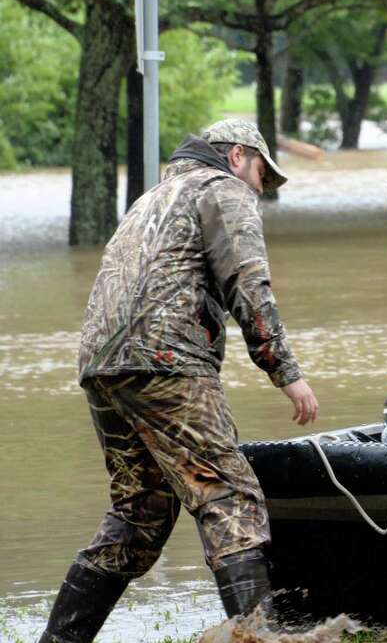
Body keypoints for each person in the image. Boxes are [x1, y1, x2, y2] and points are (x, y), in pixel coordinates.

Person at [38, 120, 319, 643]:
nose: (260, 186)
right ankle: (258, 639)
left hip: (102, 367)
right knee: (231, 499)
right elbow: (249, 285)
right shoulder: (225, 190)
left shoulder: (151, 199)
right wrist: (287, 373)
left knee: (139, 516)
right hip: (168, 363)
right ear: (238, 156)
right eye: (262, 172)